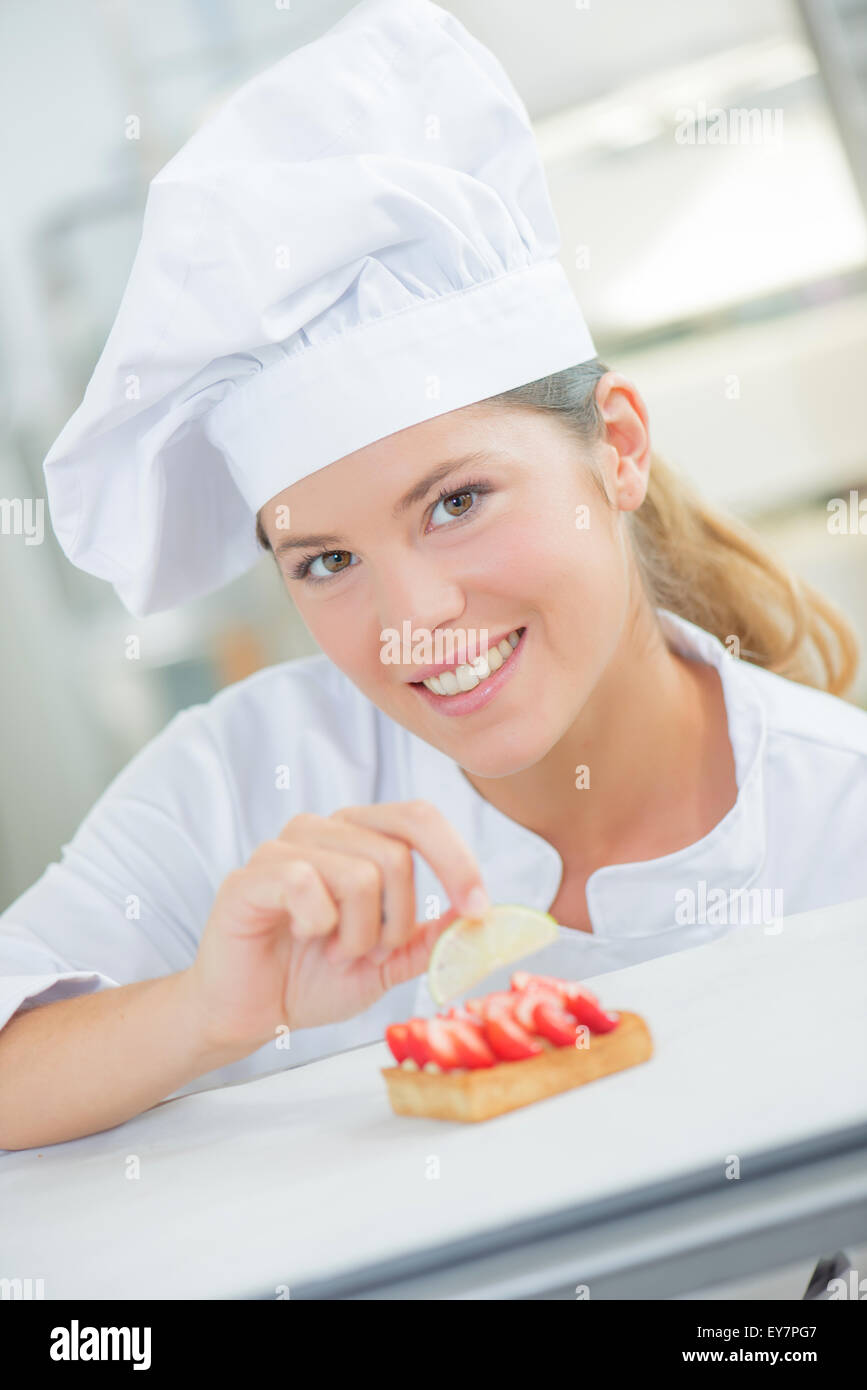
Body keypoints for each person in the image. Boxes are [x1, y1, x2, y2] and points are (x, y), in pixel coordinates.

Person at [1, 0, 865, 1152]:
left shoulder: (839, 823)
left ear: (616, 445)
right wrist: (205, 1012)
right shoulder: (234, 785)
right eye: (327, 560)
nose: (411, 620)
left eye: (456, 502)